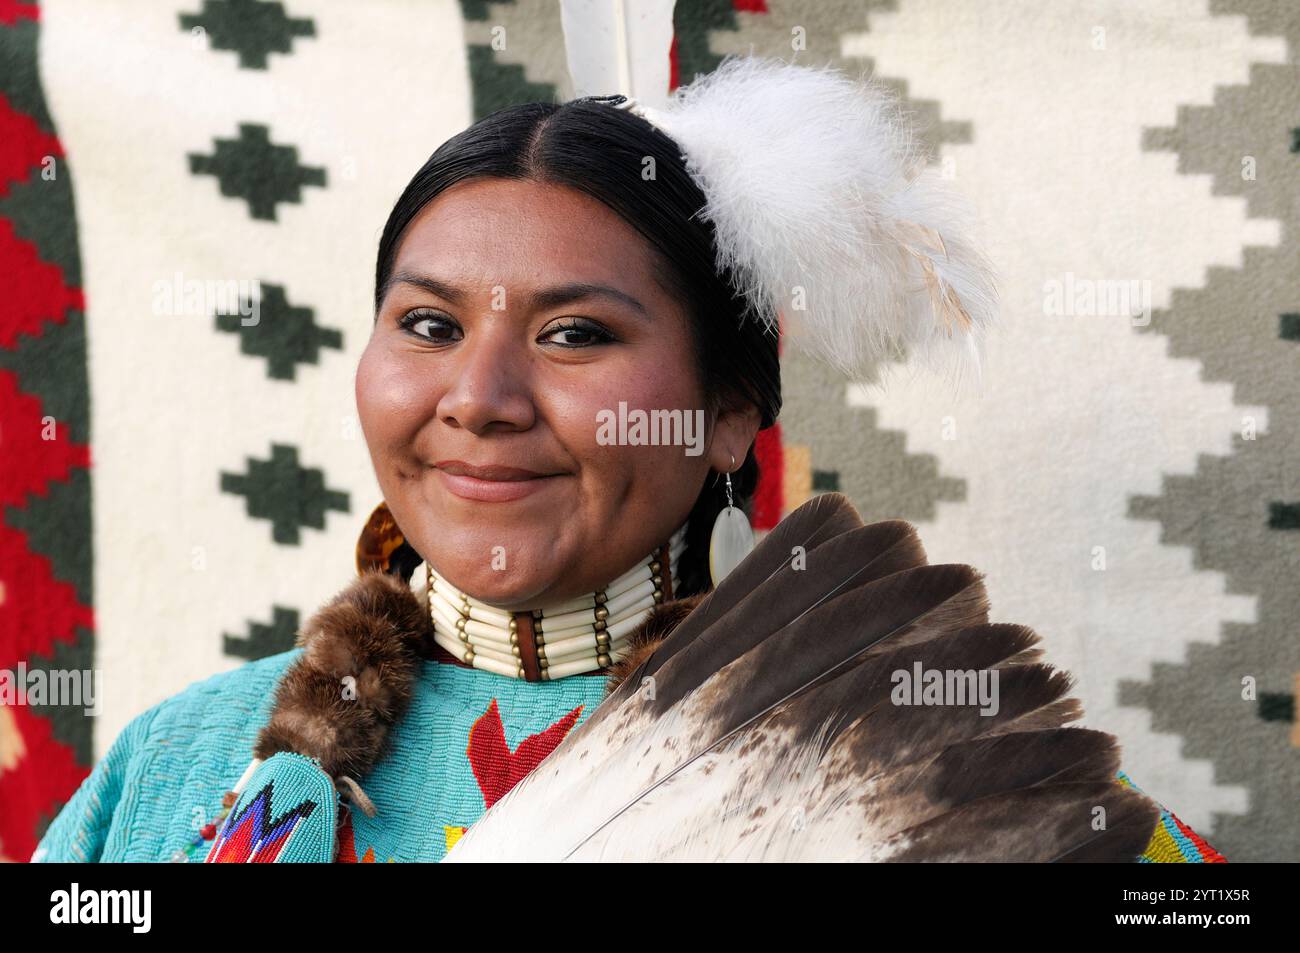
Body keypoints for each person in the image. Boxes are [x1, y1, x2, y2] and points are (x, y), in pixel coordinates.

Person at [34, 58, 1221, 863]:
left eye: (574, 335)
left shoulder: (888, 744)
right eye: (430, 325)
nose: (480, 400)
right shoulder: (174, 766)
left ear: (727, 410)